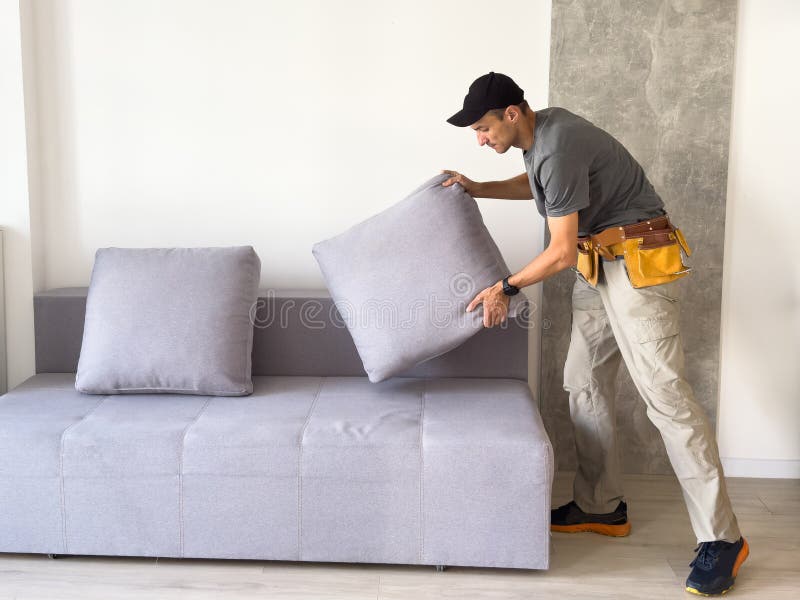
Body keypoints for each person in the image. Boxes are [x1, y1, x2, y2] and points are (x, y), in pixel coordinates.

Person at [443, 72, 748, 596]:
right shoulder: (540, 137)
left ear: (511, 114)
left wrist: (505, 287)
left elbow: (560, 251)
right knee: (582, 381)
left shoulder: (558, 145)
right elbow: (541, 187)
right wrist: (478, 188)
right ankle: (601, 506)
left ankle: (724, 539)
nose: (481, 140)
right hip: (600, 263)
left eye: (483, 128)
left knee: (667, 399)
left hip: (637, 265)